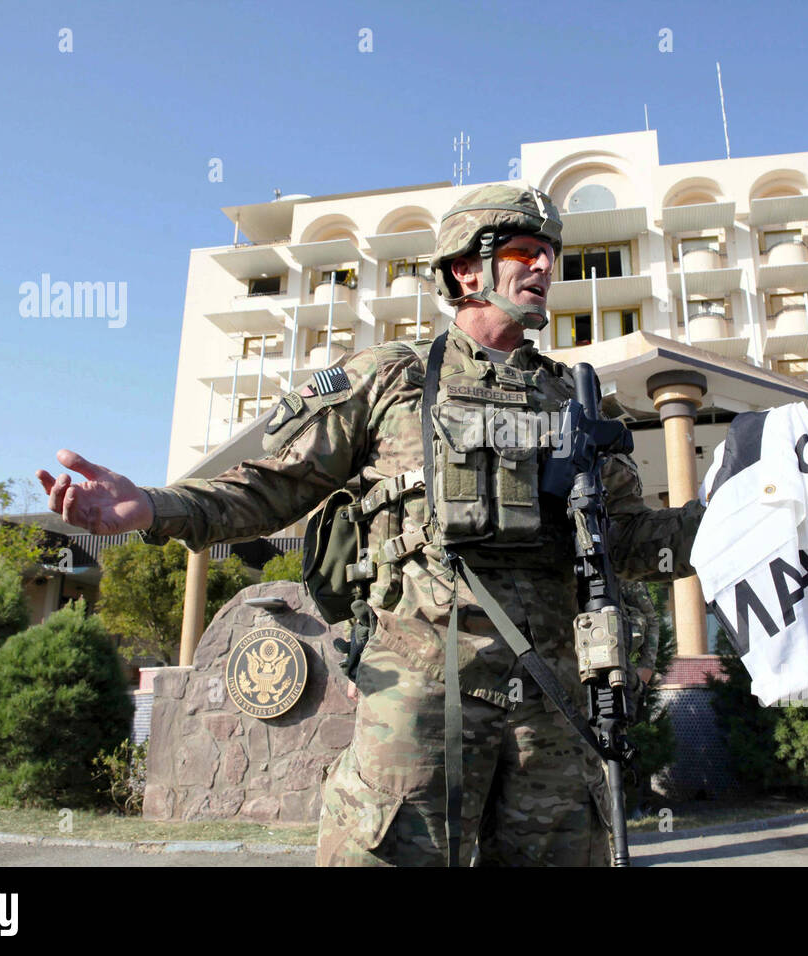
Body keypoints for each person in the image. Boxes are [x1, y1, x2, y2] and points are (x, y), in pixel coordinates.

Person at [36, 183, 704, 866]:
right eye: (522, 253)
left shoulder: (579, 403)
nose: (542, 269)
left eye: (548, 255)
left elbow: (631, 544)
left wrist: (728, 526)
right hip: (420, 699)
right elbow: (274, 489)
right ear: (465, 271)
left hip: (553, 707)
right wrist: (152, 507)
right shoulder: (393, 379)